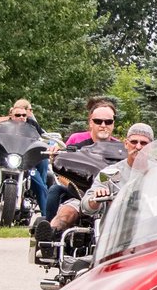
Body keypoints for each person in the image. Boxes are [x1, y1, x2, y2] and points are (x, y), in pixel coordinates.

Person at [37, 98, 125, 242]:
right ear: (90, 122)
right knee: (66, 210)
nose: (103, 125)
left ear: (113, 123)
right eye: (98, 121)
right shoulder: (78, 147)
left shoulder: (123, 149)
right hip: (82, 195)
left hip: (115, 197)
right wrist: (56, 157)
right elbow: (63, 169)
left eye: (108, 122)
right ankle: (49, 239)